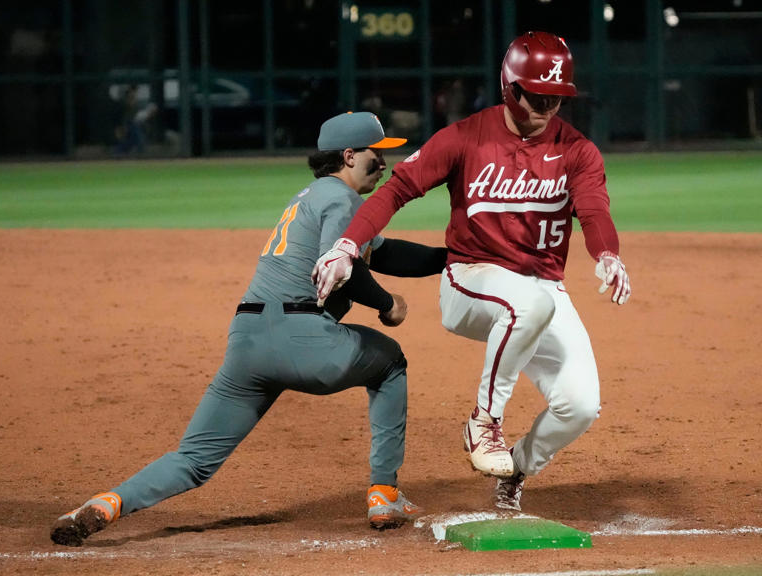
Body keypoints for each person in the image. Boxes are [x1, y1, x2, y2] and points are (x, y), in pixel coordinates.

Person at [50, 111, 448, 546]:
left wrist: (454, 255)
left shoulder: (313, 197)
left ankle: (106, 503)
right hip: (305, 340)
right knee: (389, 362)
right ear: (349, 156)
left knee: (195, 458)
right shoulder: (343, 201)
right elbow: (341, 264)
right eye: (378, 153)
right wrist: (388, 304)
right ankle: (384, 494)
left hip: (248, 342)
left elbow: (387, 255)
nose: (385, 163)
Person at [313, 32, 632, 512]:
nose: (548, 106)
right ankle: (484, 422)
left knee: (579, 405)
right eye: (538, 96)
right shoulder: (465, 137)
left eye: (557, 98)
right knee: (529, 305)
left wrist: (607, 254)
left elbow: (594, 211)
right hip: (471, 279)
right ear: (510, 88)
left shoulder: (578, 151)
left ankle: (517, 470)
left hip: (541, 289)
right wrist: (346, 245)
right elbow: (394, 192)